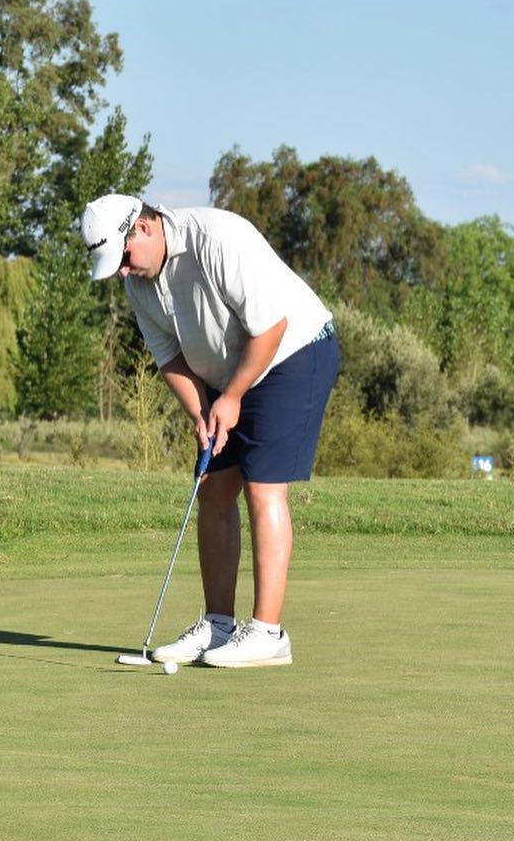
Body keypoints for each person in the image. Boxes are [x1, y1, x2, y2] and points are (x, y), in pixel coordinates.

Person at [81, 193, 340, 668]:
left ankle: (268, 633)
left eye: (122, 257)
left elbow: (271, 327)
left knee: (262, 487)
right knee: (214, 489)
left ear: (142, 227)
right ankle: (219, 626)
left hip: (293, 353)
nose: (121, 270)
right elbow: (169, 358)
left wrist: (233, 396)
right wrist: (203, 413)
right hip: (228, 376)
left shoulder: (218, 238)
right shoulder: (137, 283)